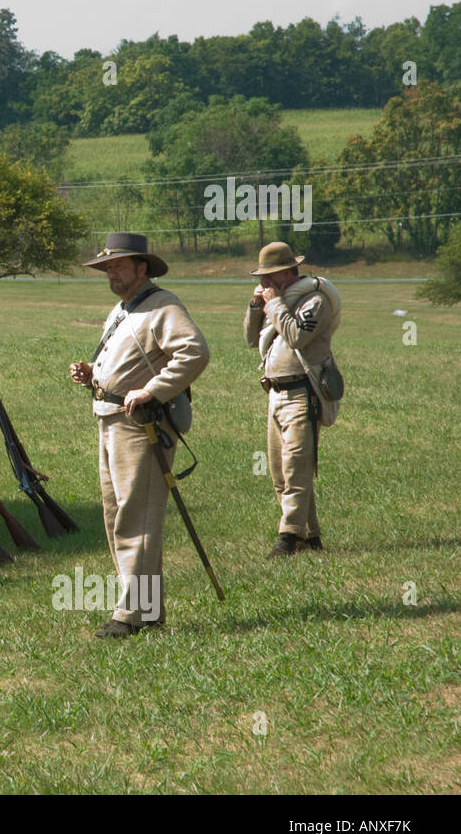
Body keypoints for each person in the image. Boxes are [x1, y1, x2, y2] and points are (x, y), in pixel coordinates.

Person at [68, 233, 209, 638]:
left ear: (141, 268)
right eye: (107, 267)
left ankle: (130, 614)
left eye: (118, 266)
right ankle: (146, 609)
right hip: (110, 418)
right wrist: (91, 374)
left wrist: (154, 390)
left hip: (141, 425)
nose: (111, 273)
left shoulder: (163, 306)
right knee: (117, 516)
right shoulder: (123, 309)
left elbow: (194, 352)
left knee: (137, 517)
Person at [244, 241, 341, 557]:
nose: (264, 283)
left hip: (303, 393)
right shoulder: (278, 303)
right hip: (275, 394)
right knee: (280, 472)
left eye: (269, 277)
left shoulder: (314, 301)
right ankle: (310, 536)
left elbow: (297, 335)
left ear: (287, 273)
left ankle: (288, 538)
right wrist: (257, 306)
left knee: (296, 468)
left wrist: (273, 306)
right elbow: (249, 338)